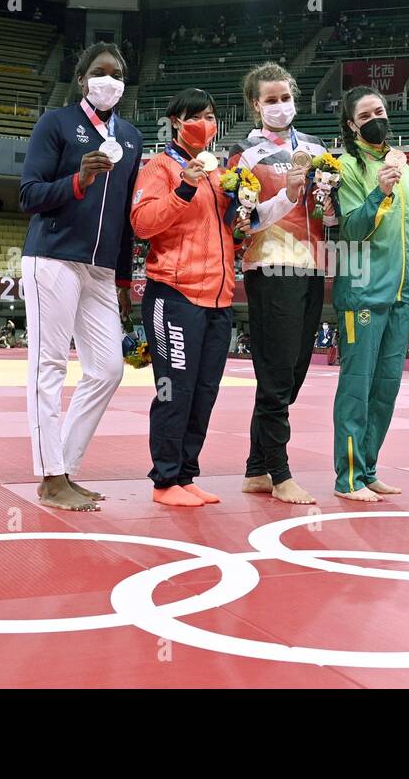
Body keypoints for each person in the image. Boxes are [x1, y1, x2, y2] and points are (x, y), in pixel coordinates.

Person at [133, 88, 293, 507]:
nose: (205, 124)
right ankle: (164, 480)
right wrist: (184, 188)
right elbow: (143, 223)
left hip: (219, 299)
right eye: (196, 116)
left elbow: (239, 228)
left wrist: (265, 206)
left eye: (210, 116)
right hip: (174, 294)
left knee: (204, 392)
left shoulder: (223, 175)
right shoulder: (160, 167)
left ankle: (185, 476)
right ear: (175, 121)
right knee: (174, 389)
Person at [19, 41, 140, 512]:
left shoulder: (130, 136)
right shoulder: (57, 124)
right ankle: (51, 477)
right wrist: (77, 181)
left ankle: (64, 465)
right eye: (101, 71)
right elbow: (29, 193)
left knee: (108, 369)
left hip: (102, 268)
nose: (110, 79)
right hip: (52, 256)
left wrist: (125, 280)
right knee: (49, 366)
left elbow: (127, 215)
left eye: (118, 72)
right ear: (82, 78)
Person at [228, 62, 329, 505]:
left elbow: (328, 214)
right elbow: (241, 223)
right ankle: (281, 472)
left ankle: (256, 469)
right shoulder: (243, 155)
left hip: (312, 265)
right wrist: (287, 194)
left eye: (285, 98)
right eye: (271, 100)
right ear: (256, 105)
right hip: (269, 264)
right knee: (276, 371)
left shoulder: (317, 149)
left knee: (296, 371)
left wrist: (326, 196)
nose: (280, 106)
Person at [331, 85, 409, 502]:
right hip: (362, 292)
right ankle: (347, 477)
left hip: (399, 294)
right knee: (357, 387)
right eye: (364, 116)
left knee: (386, 387)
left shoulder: (405, 168)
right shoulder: (347, 167)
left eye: (379, 111)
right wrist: (378, 191)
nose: (374, 120)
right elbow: (348, 230)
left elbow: (408, 235)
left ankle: (367, 469)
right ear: (351, 125)